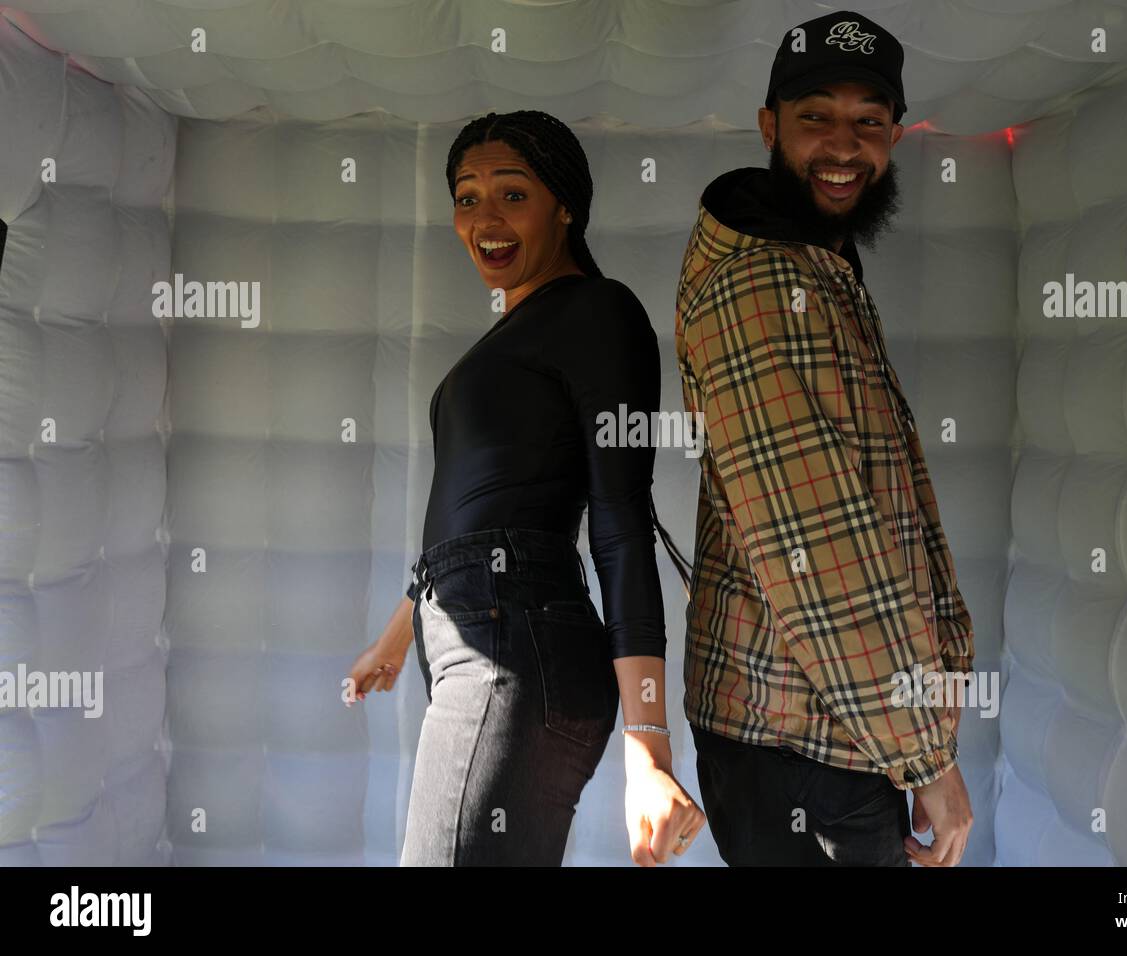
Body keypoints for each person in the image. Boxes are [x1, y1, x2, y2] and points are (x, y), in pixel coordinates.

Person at [348, 109, 704, 866]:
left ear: (565, 204)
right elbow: (479, 507)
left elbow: (619, 523)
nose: (486, 218)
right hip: (480, 633)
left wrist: (648, 747)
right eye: (467, 197)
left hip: (515, 641)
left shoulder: (598, 313)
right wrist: (400, 630)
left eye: (512, 194)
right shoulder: (513, 333)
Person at [674, 10, 976, 866]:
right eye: (816, 118)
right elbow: (822, 555)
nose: (844, 146)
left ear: (894, 135)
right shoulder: (770, 285)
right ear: (770, 126)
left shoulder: (816, 262)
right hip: (803, 744)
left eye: (868, 122)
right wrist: (927, 760)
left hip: (829, 730)